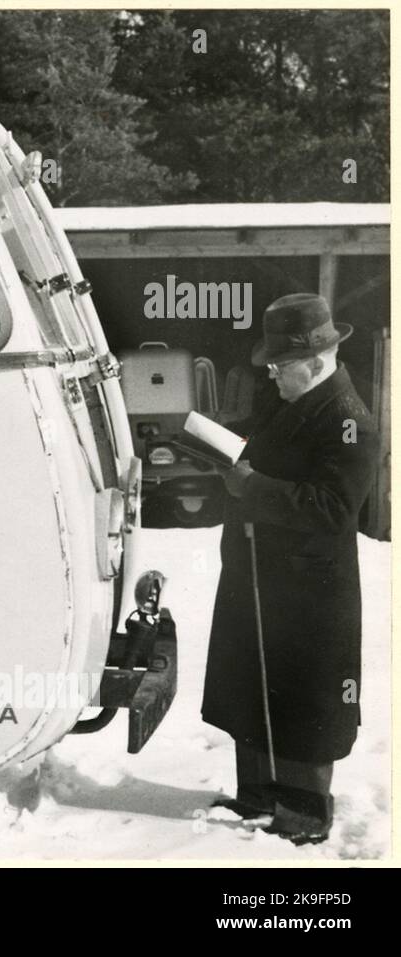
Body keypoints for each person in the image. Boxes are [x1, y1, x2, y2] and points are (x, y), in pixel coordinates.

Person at [202, 292, 380, 845]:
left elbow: (332, 508)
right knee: (251, 682)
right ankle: (257, 795)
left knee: (307, 699)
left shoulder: (351, 422)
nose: (273, 374)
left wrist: (253, 487)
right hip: (262, 575)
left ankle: (304, 813)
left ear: (317, 361)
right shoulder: (294, 398)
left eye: (281, 365)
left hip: (310, 588)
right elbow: (270, 442)